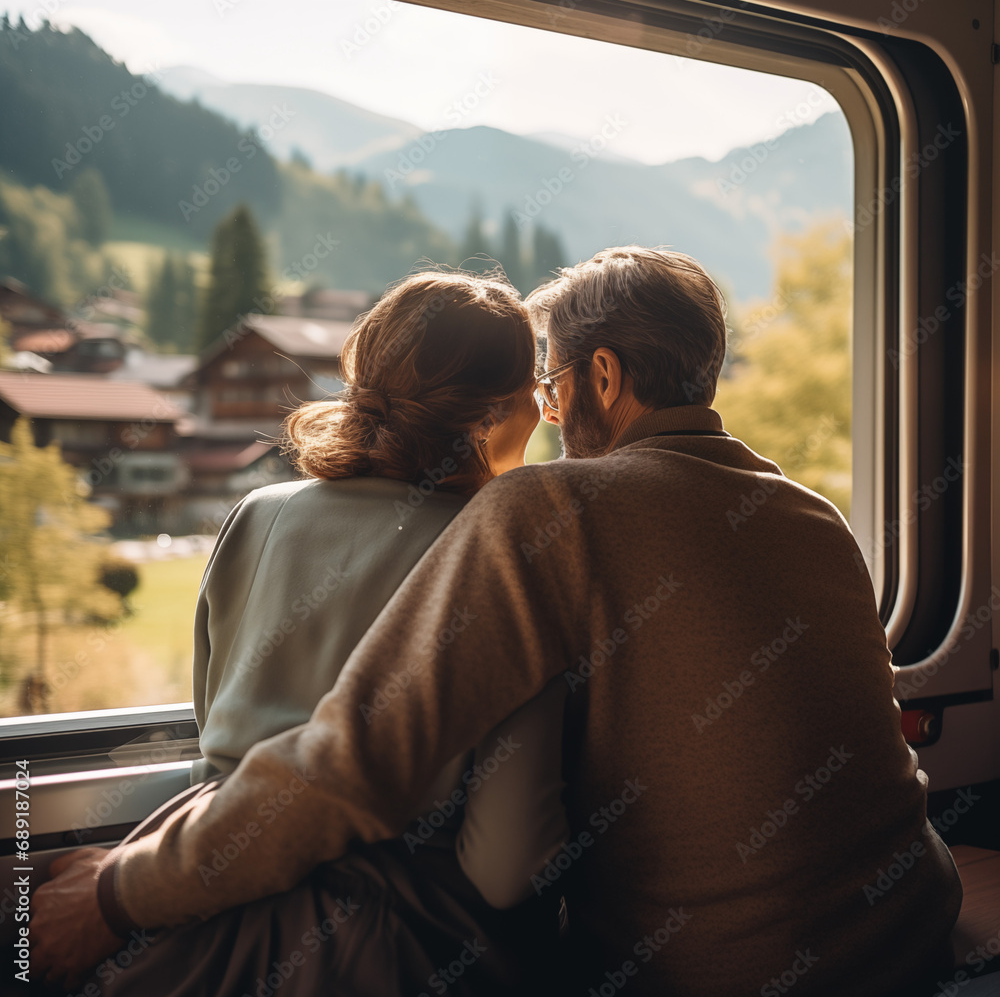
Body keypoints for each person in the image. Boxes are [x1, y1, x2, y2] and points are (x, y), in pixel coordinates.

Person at [34, 246, 963, 997]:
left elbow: (358, 759)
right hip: (913, 920)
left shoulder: (550, 508)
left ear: (602, 373)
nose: (548, 410)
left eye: (553, 383)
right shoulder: (812, 513)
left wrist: (117, 892)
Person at [33, 269, 570, 997]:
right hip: (389, 942)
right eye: (536, 396)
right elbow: (506, 871)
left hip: (198, 898)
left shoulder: (259, 514)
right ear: (494, 414)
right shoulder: (505, 557)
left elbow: (212, 725)